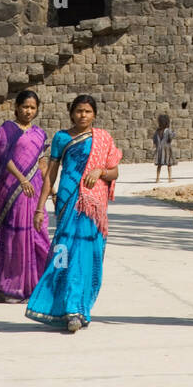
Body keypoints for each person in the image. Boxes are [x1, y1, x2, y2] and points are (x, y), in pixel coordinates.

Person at [26, 94, 121, 333]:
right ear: (71, 112)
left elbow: (114, 173)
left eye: (88, 112)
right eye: (79, 111)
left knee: (87, 255)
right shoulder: (61, 138)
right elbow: (50, 174)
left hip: (93, 206)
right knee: (64, 253)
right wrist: (40, 206)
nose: (83, 116)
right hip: (68, 202)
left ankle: (78, 310)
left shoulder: (103, 139)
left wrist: (100, 171)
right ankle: (61, 307)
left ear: (95, 115)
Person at [0, 90, 50, 303]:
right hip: (15, 190)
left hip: (35, 190)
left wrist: (51, 189)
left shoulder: (40, 134)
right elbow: (3, 157)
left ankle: (36, 286)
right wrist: (21, 179)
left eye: (32, 108)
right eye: (25, 106)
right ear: (16, 107)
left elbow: (42, 162)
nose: (28, 111)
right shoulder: (7, 130)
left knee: (39, 235)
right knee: (15, 238)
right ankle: (7, 287)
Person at [152, 112, 177, 185]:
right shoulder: (168, 130)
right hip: (167, 148)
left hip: (159, 149)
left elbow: (154, 140)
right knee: (169, 164)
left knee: (159, 164)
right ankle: (170, 178)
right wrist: (174, 132)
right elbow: (170, 138)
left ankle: (157, 178)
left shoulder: (157, 131)